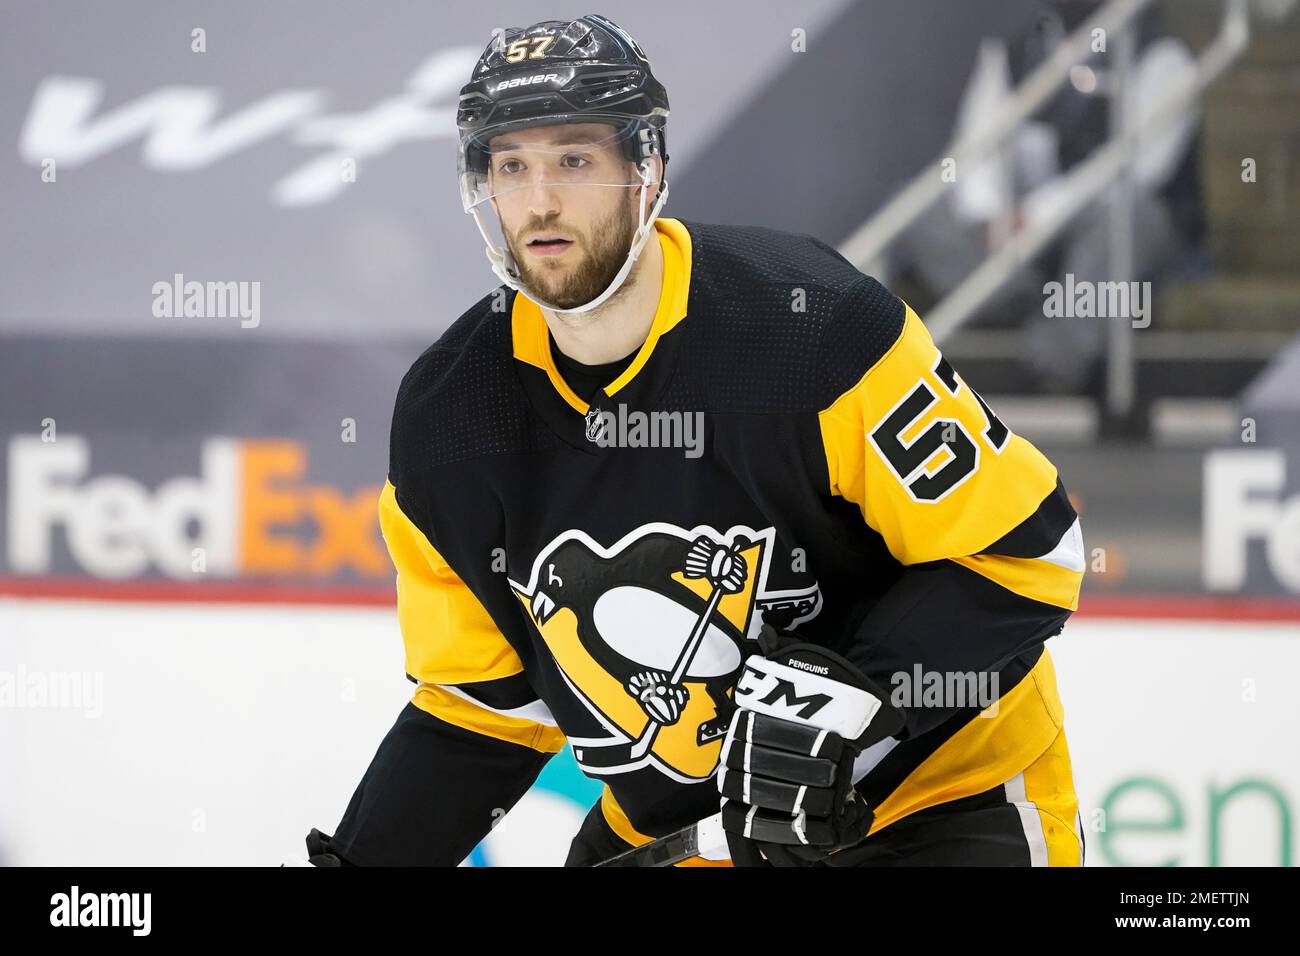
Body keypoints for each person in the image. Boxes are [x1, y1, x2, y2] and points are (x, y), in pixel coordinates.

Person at [304, 13, 1086, 867]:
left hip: (939, 799)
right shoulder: (448, 421)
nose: (540, 201)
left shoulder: (811, 328)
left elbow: (1026, 557)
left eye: (575, 159)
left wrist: (853, 689)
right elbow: (481, 711)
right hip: (687, 835)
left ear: (647, 170)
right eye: (511, 165)